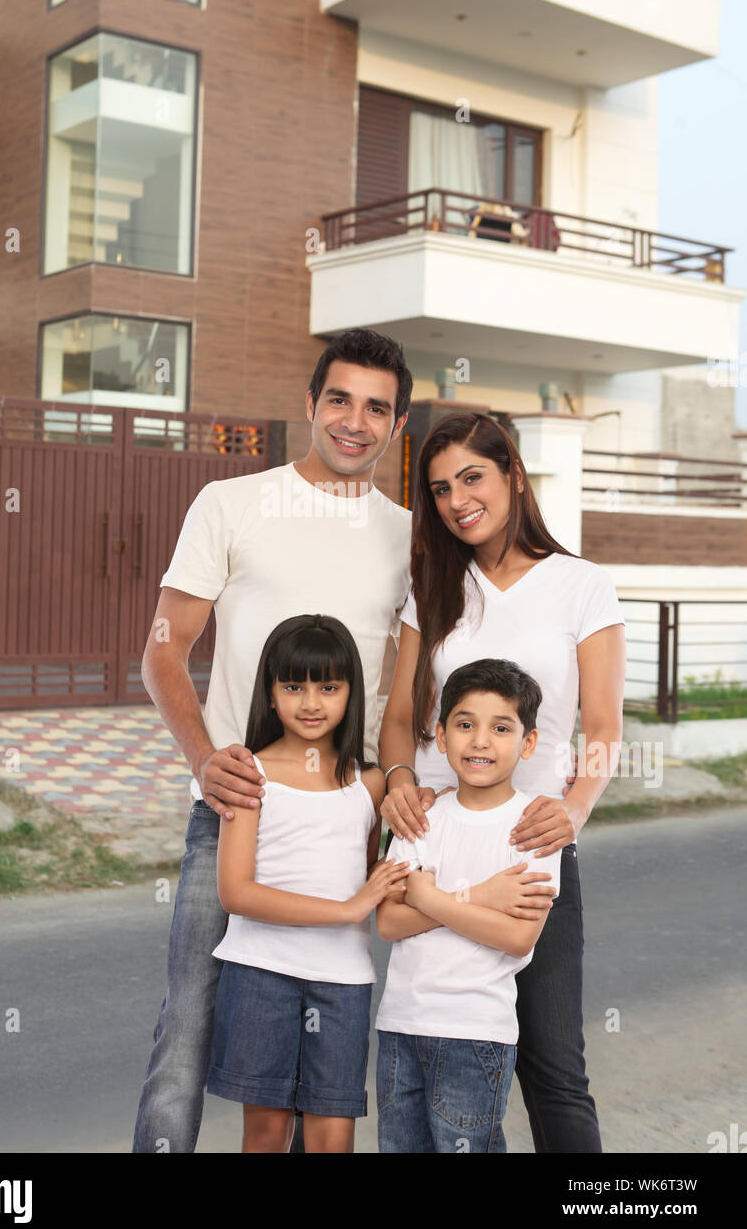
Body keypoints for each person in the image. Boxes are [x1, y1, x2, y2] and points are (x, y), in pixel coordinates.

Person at [132, 328, 413, 1153]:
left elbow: (411, 682)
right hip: (234, 810)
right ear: (310, 405)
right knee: (187, 1027)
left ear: (395, 426)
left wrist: (396, 781)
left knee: (315, 1057)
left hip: (340, 823)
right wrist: (203, 760)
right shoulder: (231, 502)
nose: (355, 421)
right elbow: (160, 649)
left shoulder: (406, 536)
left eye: (376, 408)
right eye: (340, 399)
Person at [379, 412, 625, 1153]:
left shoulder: (582, 585)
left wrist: (573, 812)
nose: (457, 501)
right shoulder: (435, 587)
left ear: (513, 474)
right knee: (431, 1048)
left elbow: (606, 729)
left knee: (552, 1066)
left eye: (472, 478)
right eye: (441, 488)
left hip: (530, 849)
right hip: (435, 844)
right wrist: (396, 780)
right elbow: (398, 718)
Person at [207, 614, 408, 1153]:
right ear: (271, 694)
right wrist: (346, 910)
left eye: (329, 686)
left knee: (332, 1141)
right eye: (293, 686)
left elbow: (368, 876)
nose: (311, 702)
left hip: (342, 983)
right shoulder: (249, 773)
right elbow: (236, 893)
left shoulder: (368, 783)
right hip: (260, 976)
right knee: (267, 1135)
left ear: (350, 693)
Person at [376, 658, 560, 1153]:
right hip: (401, 1024)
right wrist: (480, 897)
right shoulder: (421, 816)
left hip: (475, 1030)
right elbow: (390, 921)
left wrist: (427, 895)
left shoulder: (535, 826)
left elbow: (517, 936)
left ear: (528, 743)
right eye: (464, 724)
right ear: (440, 735)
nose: (480, 741)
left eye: (501, 728)